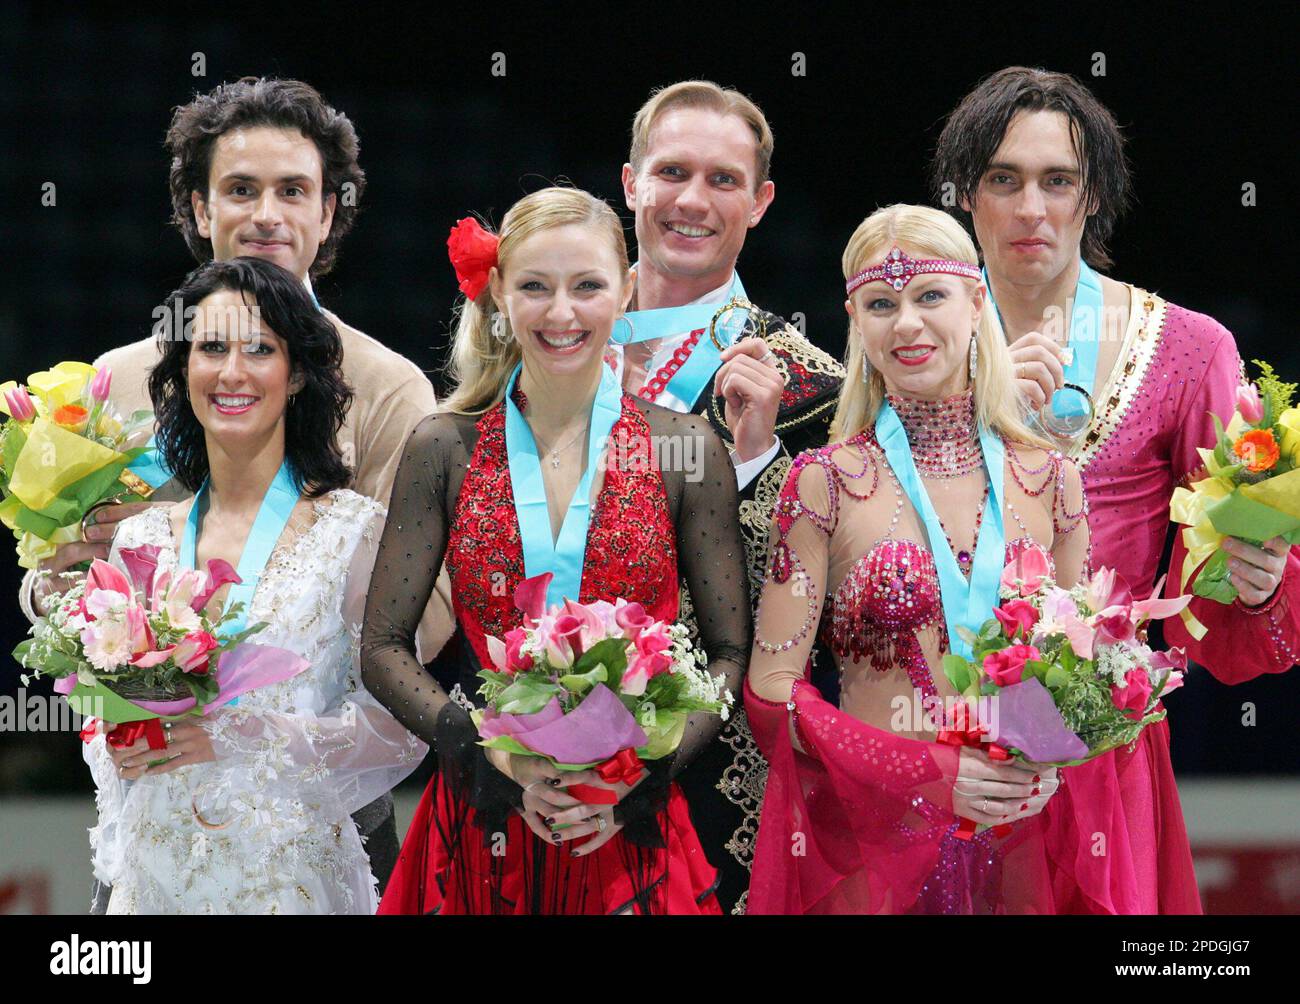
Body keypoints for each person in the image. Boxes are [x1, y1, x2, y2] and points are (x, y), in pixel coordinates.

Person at [18, 77, 449, 901]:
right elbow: (50, 581)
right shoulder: (115, 382)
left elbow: (421, 619)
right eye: (240, 189)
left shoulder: (391, 387)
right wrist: (68, 601)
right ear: (197, 206)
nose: (266, 215)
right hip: (150, 807)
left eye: (294, 191)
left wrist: (270, 646)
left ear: (329, 212)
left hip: (324, 813)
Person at [930, 66, 1299, 913]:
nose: (1032, 210)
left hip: (1106, 759)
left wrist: (1258, 576)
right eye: (1003, 180)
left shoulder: (1190, 349)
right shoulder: (908, 340)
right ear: (964, 195)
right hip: (935, 752)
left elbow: (1222, 601)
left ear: (1094, 195)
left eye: (1058, 181)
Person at [361, 186, 751, 914]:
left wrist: (644, 772)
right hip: (480, 824)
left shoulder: (684, 450)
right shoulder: (444, 446)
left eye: (588, 286)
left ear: (627, 290)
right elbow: (382, 647)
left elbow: (730, 653)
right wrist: (492, 753)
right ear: (499, 294)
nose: (562, 313)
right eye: (535, 287)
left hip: (629, 826)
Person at [745, 204, 1090, 914]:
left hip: (1022, 845)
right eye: (881, 303)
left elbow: (1082, 676)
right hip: (874, 851)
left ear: (976, 301)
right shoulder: (826, 481)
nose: (905, 324)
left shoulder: (1052, 480)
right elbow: (770, 694)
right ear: (856, 321)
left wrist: (1063, 754)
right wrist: (922, 772)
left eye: (929, 296)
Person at [83, 257, 426, 913]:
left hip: (288, 883)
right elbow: (104, 717)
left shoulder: (353, 536)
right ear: (183, 372)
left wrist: (244, 735)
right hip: (154, 880)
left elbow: (398, 728)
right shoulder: (140, 541)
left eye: (260, 350)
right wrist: (119, 735)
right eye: (210, 348)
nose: (232, 372)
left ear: (297, 373)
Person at [615, 80, 844, 912]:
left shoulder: (820, 392)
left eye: (723, 180)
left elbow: (825, 619)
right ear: (631, 182)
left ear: (761, 202)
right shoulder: (548, 350)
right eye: (672, 171)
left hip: (722, 798)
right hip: (538, 763)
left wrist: (755, 466)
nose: (692, 200)